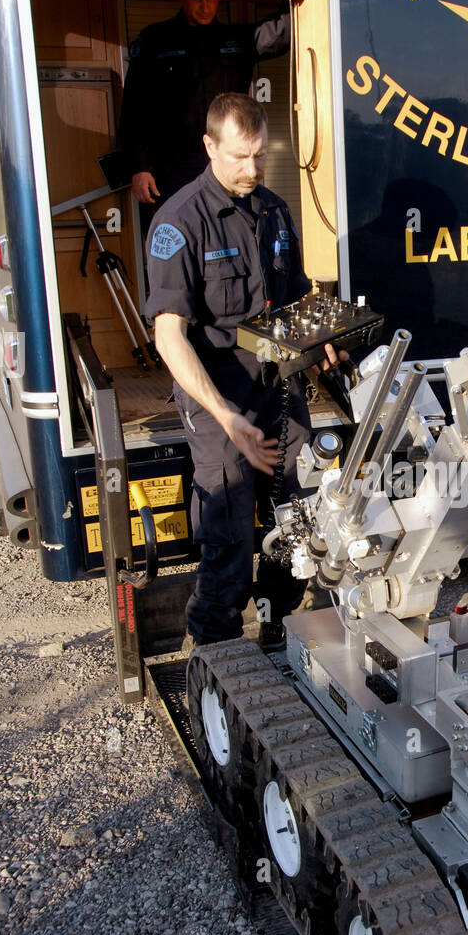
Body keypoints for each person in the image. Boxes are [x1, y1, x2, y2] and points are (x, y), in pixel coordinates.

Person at [145, 92, 345, 647]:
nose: (251, 169)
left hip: (278, 392)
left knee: (299, 517)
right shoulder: (179, 223)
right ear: (209, 147)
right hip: (218, 399)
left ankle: (280, 631)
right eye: (238, 156)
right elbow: (169, 337)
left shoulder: (275, 211)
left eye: (259, 154)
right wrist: (227, 418)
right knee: (229, 533)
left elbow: (296, 301)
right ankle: (216, 655)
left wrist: (327, 340)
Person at [119, 0, 290, 207]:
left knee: (232, 232)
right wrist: (139, 167)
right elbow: (134, 108)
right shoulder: (156, 40)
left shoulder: (235, 40)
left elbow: (281, 31)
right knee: (180, 236)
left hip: (227, 161)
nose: (205, 7)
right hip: (173, 166)